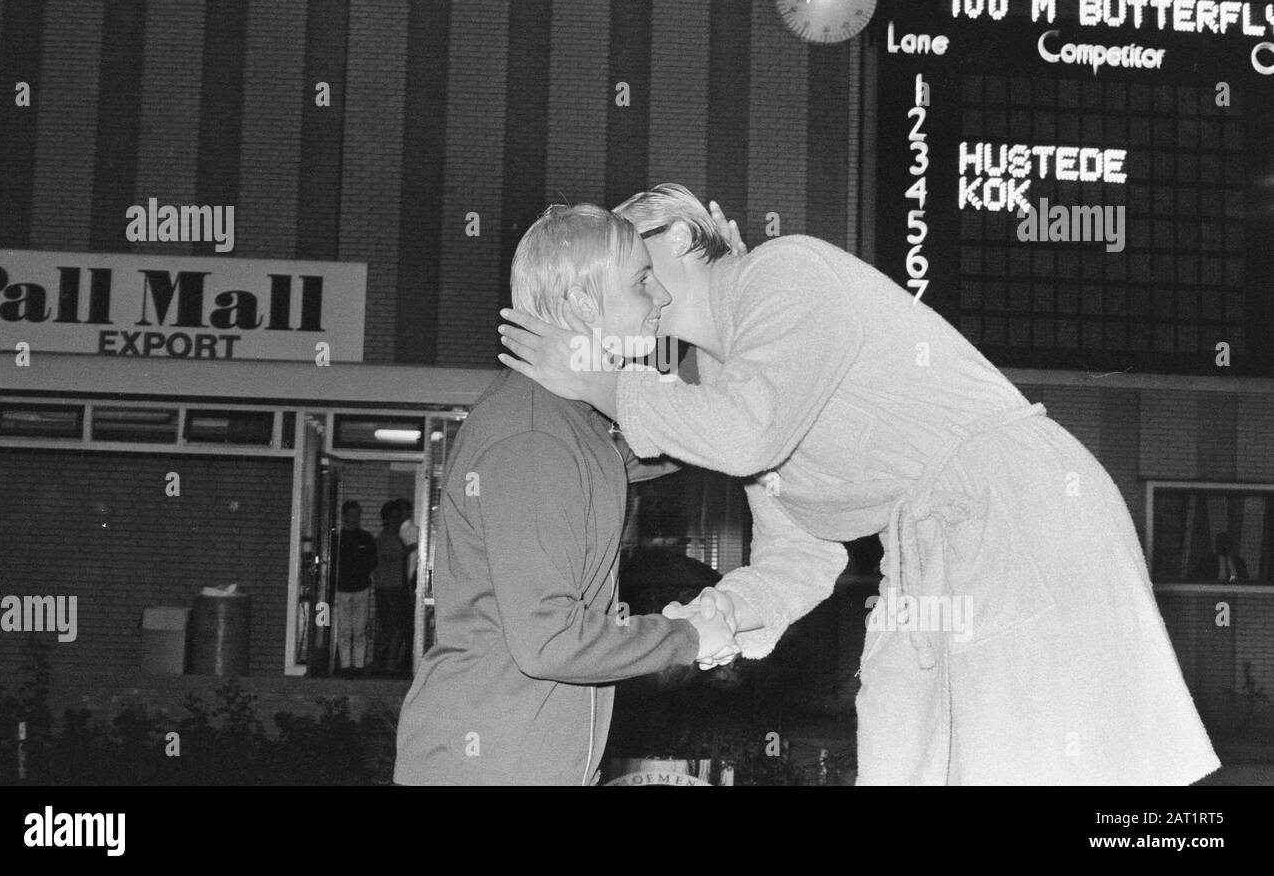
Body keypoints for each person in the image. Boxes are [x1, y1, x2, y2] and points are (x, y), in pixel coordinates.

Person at [497, 182, 1221, 785]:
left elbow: (751, 430)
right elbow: (797, 555)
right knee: (904, 748)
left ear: (685, 236)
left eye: (635, 245)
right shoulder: (723, 377)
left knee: (1026, 756)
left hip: (1017, 511)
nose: (629, 274)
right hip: (932, 544)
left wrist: (605, 382)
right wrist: (709, 620)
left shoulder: (784, 274)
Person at [394, 203, 736, 786]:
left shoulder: (571, 421)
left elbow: (688, 439)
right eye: (641, 281)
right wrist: (686, 638)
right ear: (581, 304)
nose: (661, 297)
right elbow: (550, 640)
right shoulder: (534, 435)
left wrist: (726, 301)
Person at [335, 500, 378, 677]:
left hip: (361, 588)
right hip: (342, 589)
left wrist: (361, 571)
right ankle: (345, 666)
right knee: (344, 630)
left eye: (357, 515)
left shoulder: (366, 538)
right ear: (344, 516)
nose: (355, 519)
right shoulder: (337, 539)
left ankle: (359, 666)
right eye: (351, 515)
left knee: (360, 630)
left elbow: (373, 562)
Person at [372, 500, 410, 674]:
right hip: (388, 588)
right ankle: (386, 665)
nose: (397, 521)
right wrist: (411, 548)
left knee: (394, 627)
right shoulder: (384, 538)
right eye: (393, 517)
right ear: (386, 519)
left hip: (396, 587)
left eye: (399, 517)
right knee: (393, 627)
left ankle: (384, 663)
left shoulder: (395, 537)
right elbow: (393, 556)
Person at [396, 497, 419, 674]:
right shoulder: (397, 531)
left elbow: (411, 558)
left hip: (408, 580)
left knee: (406, 621)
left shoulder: (412, 531)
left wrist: (409, 582)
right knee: (401, 621)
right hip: (400, 581)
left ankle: (406, 658)